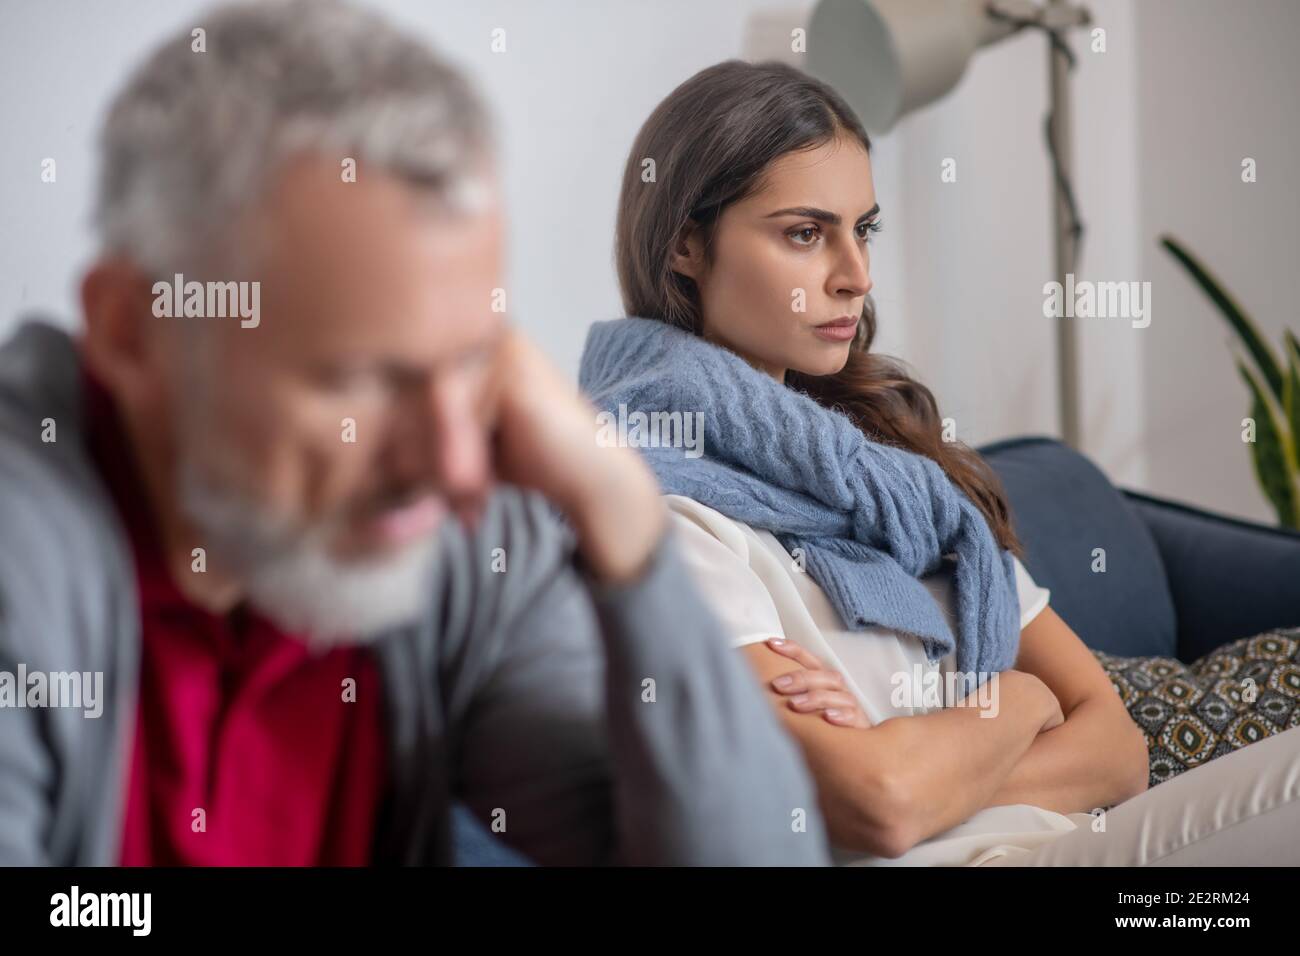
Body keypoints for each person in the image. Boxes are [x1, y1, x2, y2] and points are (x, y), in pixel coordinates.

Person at [0, 2, 829, 867]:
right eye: (360, 378)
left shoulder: (448, 534)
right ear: (134, 331)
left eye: (474, 361)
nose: (454, 464)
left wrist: (625, 518)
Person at [579, 58, 1300, 866]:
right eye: (806, 233)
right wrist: (1021, 701)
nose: (856, 276)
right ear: (684, 243)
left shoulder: (905, 485)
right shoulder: (656, 517)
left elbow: (1118, 752)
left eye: (865, 230)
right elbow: (878, 807)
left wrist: (926, 759)